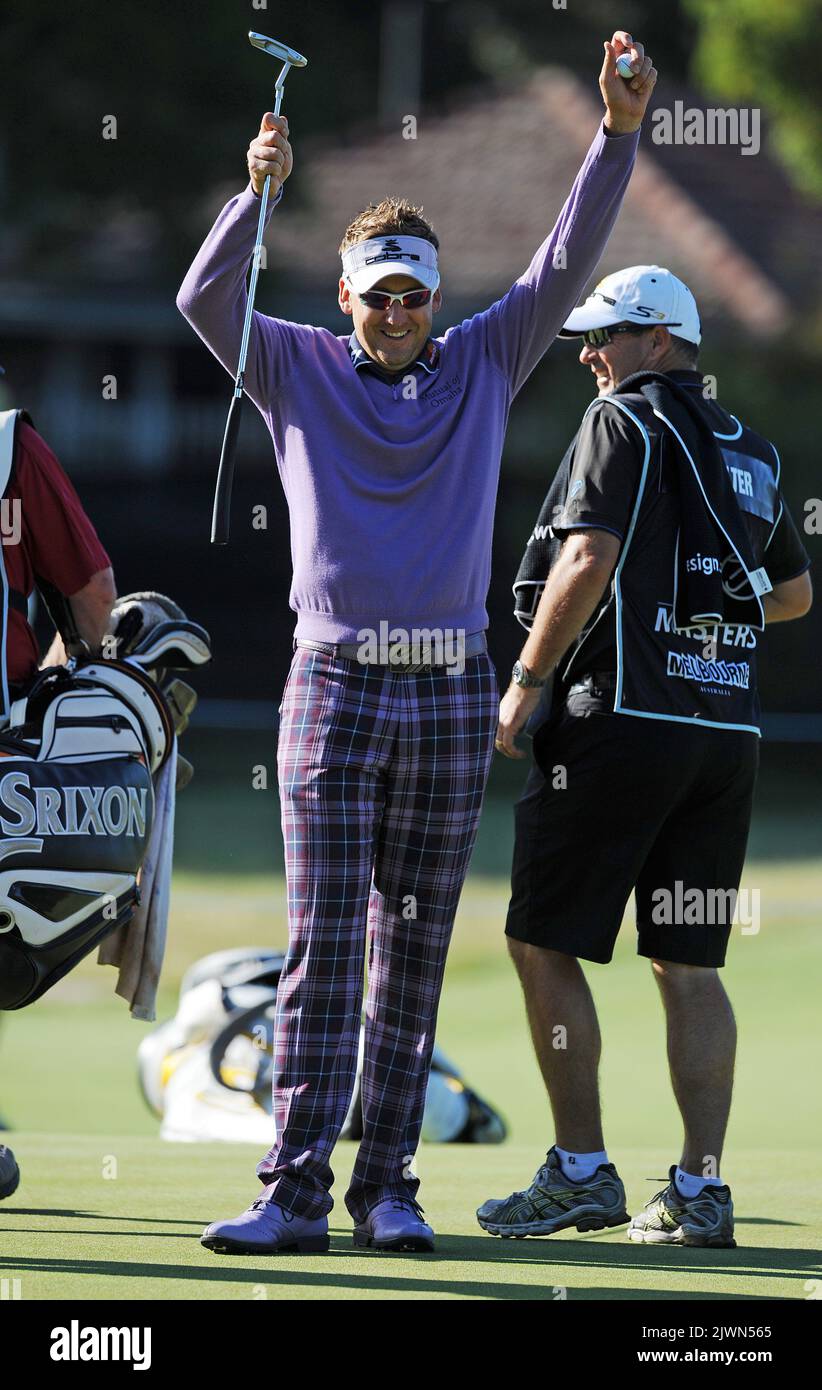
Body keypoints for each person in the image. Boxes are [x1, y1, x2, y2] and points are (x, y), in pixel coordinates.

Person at [177, 32, 658, 1256]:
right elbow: (200, 301)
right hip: (330, 683)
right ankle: (292, 1193)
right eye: (376, 289)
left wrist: (616, 133)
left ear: (434, 298)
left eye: (412, 290)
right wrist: (257, 196)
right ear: (343, 296)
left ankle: (386, 1186)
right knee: (325, 945)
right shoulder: (290, 366)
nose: (395, 308)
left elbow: (563, 262)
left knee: (414, 949)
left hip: (448, 687)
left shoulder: (487, 360)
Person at [478, 265, 812, 1247]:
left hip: (620, 718)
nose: (587, 355)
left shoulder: (624, 418)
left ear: (658, 342)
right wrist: (709, 610)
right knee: (689, 963)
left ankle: (581, 1169)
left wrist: (529, 679)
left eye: (604, 337)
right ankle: (701, 1191)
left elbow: (587, 556)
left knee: (541, 937)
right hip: (726, 737)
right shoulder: (750, 448)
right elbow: (793, 596)